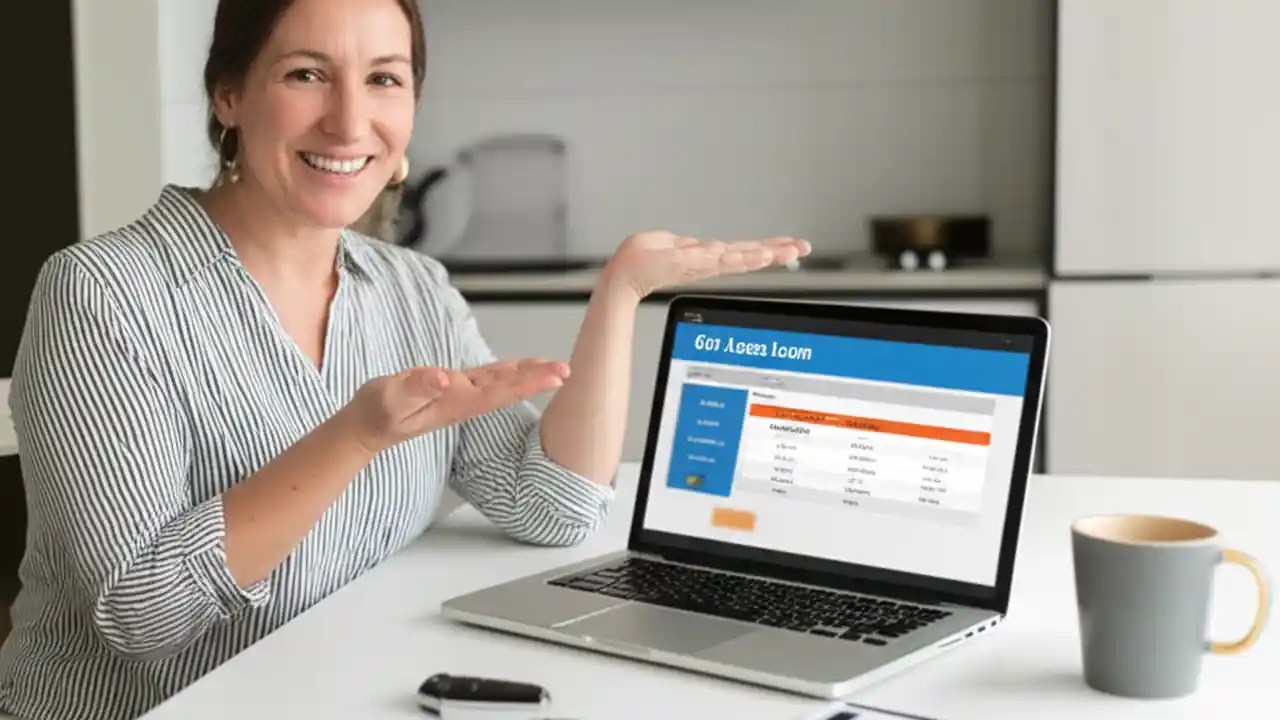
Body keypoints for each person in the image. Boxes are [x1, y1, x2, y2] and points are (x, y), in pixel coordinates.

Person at [0, 0, 809, 718]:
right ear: (229, 96)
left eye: (385, 79)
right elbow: (143, 616)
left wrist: (622, 294)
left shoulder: (409, 288)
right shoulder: (104, 293)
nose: (350, 124)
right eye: (308, 74)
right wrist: (351, 439)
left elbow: (552, 506)